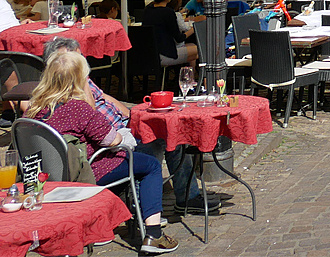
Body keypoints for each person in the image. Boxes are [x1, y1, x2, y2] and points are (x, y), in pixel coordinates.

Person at [42, 37, 218, 217]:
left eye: (80, 59)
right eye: (73, 60)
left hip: (121, 126)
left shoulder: (81, 80)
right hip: (109, 141)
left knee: (168, 131)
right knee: (159, 139)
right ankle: (145, 204)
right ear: (56, 65)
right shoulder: (69, 95)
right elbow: (92, 115)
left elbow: (104, 97)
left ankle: (185, 196)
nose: (81, 65)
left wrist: (131, 115)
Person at [27, 50, 178, 252]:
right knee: (149, 165)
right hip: (86, 171)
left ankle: (101, 222)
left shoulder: (35, 108)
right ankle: (153, 235)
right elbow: (112, 140)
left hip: (48, 174)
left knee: (128, 162)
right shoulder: (78, 108)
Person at [146, 0, 197, 69]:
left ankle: (186, 76)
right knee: (199, 50)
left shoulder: (148, 10)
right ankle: (190, 77)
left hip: (150, 53)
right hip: (165, 54)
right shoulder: (168, 12)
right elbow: (179, 38)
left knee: (192, 49)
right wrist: (193, 29)